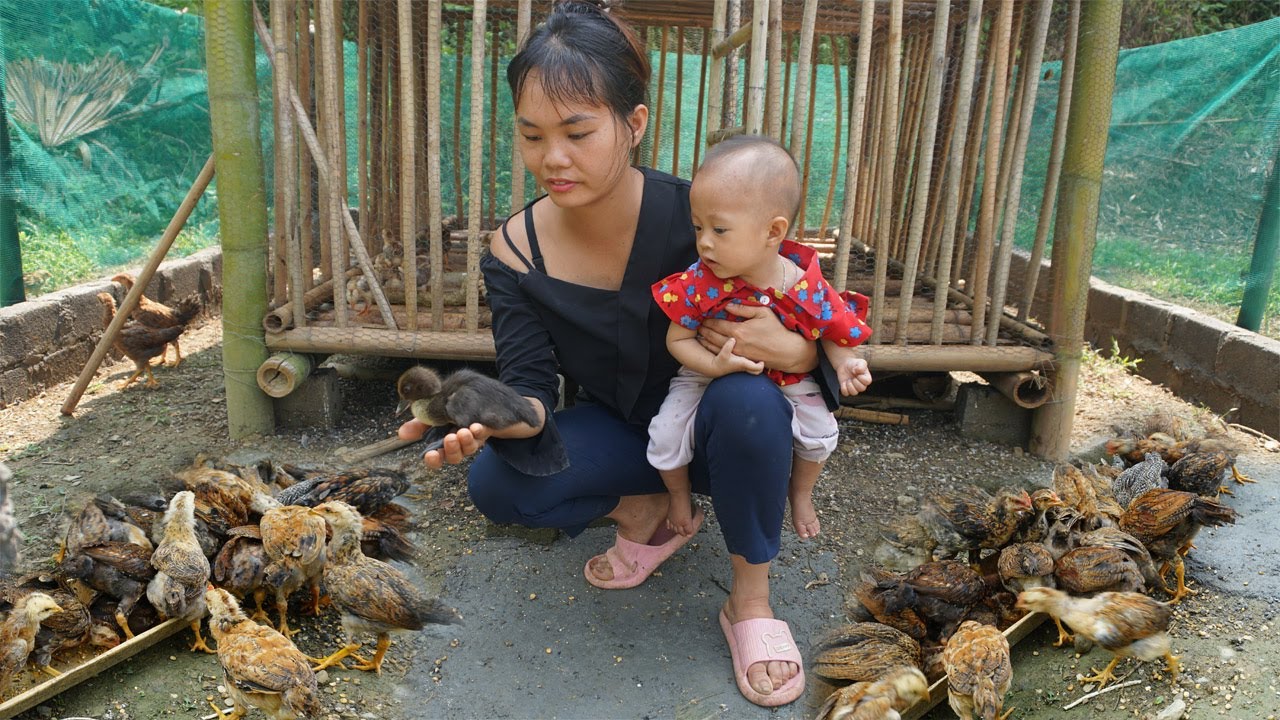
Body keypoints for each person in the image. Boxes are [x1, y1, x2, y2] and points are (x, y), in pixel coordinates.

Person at [398, 0, 863, 707]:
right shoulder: (513, 251)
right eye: (531, 135)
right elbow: (530, 384)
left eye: (578, 132)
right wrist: (495, 414)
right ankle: (642, 508)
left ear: (634, 123)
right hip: (628, 436)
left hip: (726, 431)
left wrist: (798, 353)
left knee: (748, 400)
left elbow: (814, 306)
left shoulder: (703, 218)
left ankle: (750, 600)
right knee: (497, 485)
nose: (553, 158)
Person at [647, 134, 873, 543]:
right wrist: (713, 364)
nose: (704, 241)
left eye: (719, 229)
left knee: (823, 434)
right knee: (664, 434)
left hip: (787, 375)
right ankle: (677, 497)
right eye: (698, 227)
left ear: (773, 231)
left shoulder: (803, 283)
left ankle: (800, 493)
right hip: (703, 374)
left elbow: (833, 328)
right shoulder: (700, 280)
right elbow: (677, 341)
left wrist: (847, 362)